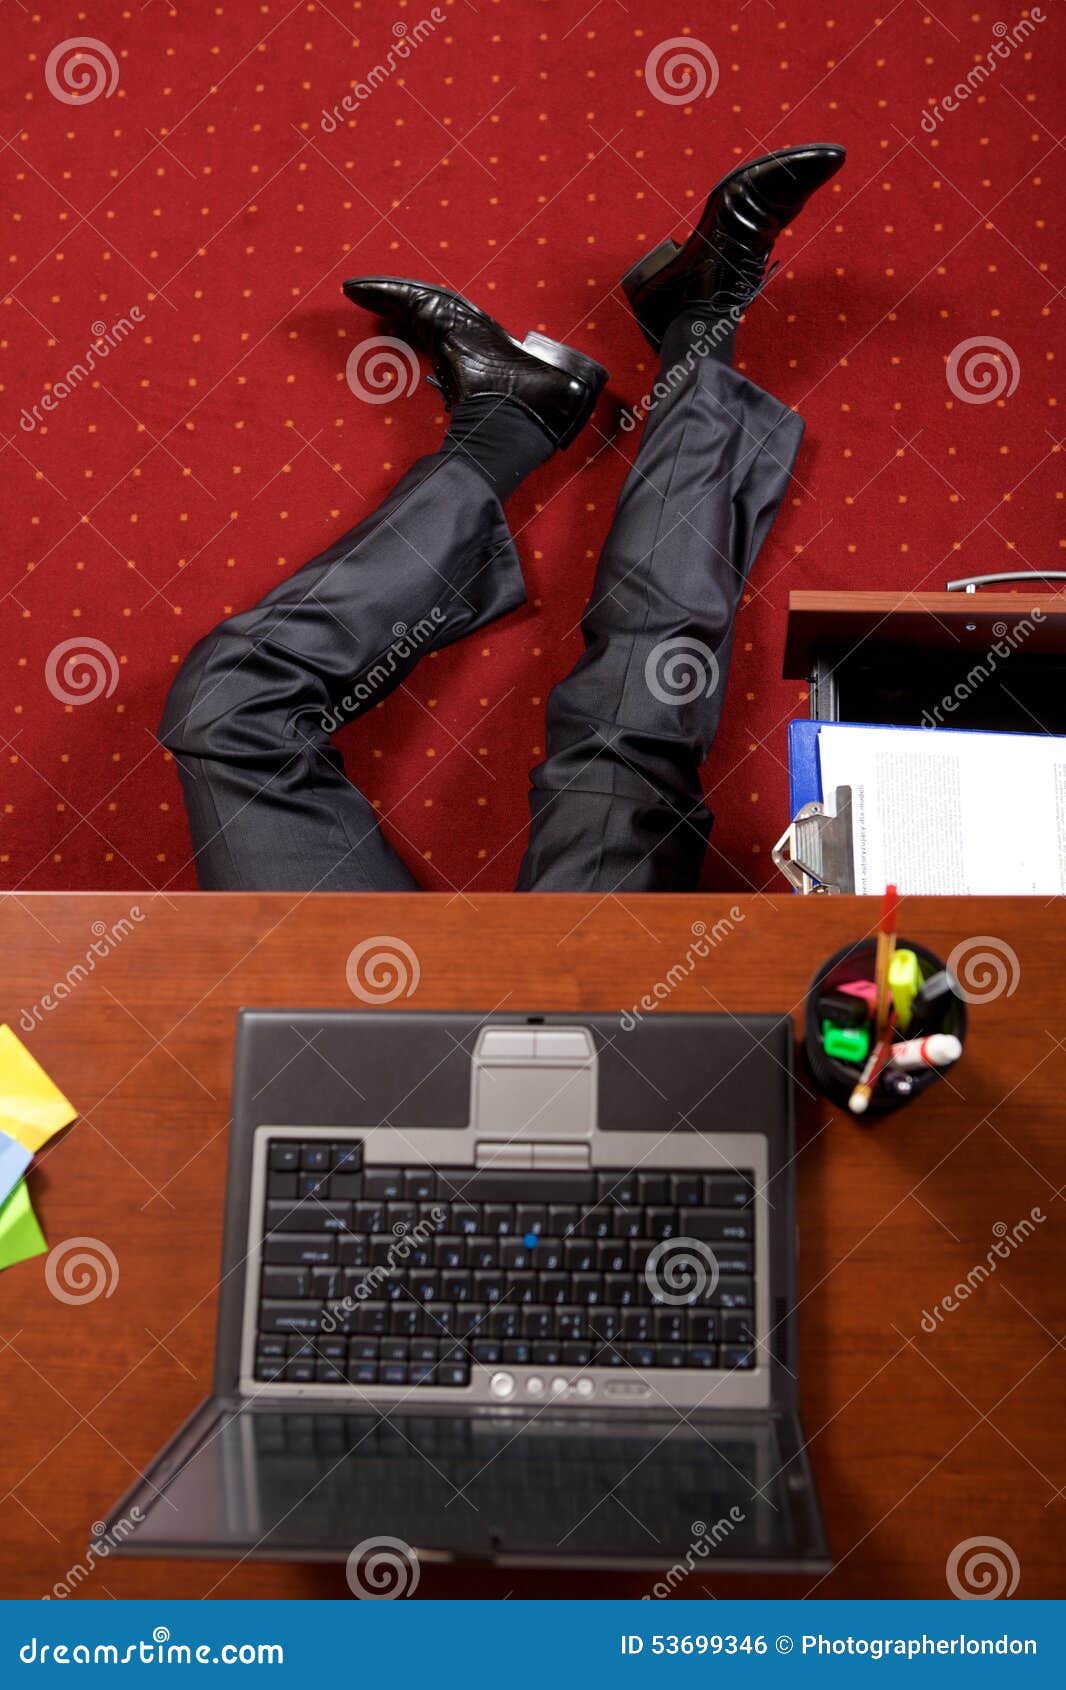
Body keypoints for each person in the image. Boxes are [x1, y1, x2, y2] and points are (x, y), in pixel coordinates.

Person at [159, 144, 845, 893]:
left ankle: (508, 420)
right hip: (596, 1003)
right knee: (628, 743)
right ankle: (699, 321)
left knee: (226, 702)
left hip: (342, 1013)